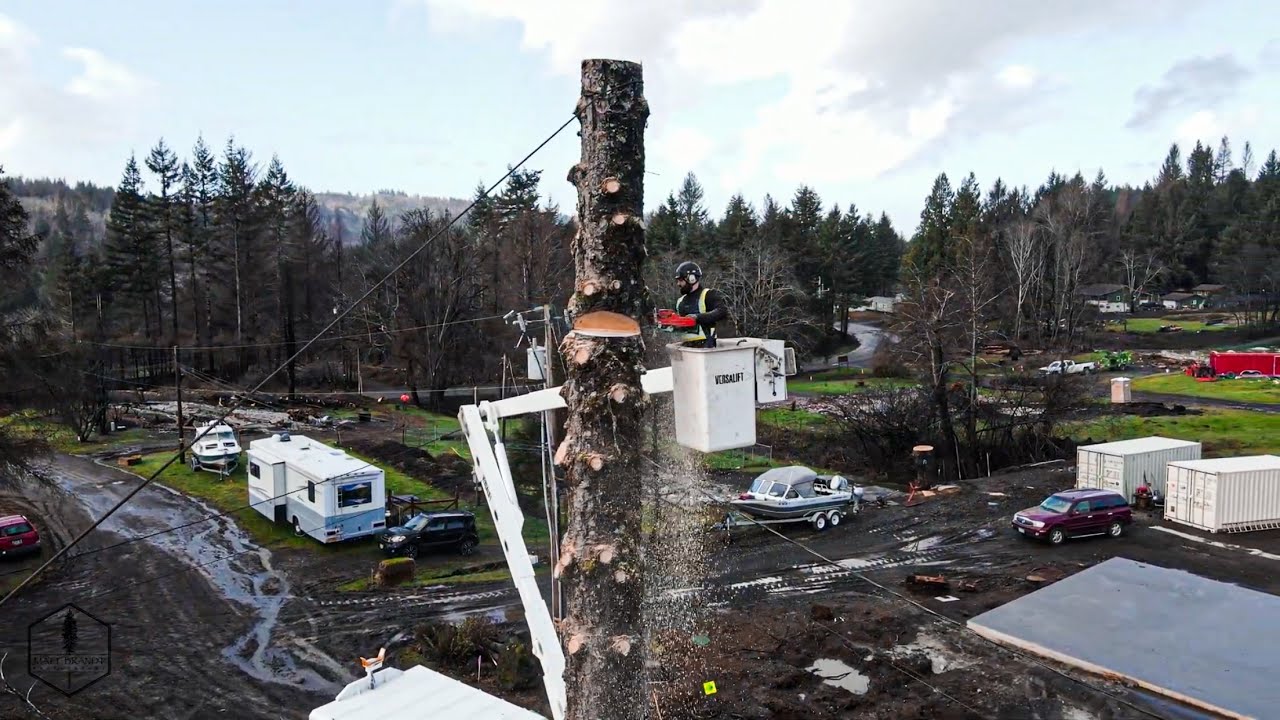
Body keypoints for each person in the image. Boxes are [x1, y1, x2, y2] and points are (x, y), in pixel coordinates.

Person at [673, 260, 729, 348]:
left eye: (680, 280)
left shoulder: (708, 295)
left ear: (691, 278)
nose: (678, 284)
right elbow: (679, 327)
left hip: (707, 349)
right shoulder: (680, 302)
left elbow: (722, 311)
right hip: (686, 349)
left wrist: (697, 317)